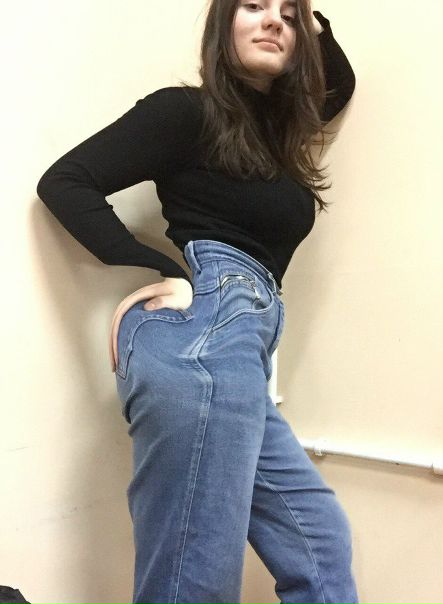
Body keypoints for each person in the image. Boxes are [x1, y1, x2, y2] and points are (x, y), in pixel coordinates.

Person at [36, 1, 358, 602]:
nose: (274, 21)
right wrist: (159, 267)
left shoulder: (277, 137)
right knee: (197, 577)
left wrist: (312, 21)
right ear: (220, 23)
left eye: (287, 16)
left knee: (320, 544)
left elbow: (337, 83)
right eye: (253, 6)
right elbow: (65, 181)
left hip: (244, 348)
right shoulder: (186, 112)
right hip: (205, 325)